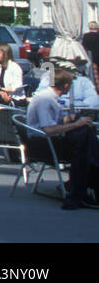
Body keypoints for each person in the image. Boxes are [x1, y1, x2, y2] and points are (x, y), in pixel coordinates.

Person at [25, 68, 99, 210]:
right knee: (86, 141)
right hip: (42, 145)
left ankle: (78, 188)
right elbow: (48, 129)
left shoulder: (51, 98)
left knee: (86, 139)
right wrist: (76, 124)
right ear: (66, 86)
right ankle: (80, 190)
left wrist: (71, 119)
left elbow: (54, 123)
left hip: (47, 142)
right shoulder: (44, 100)